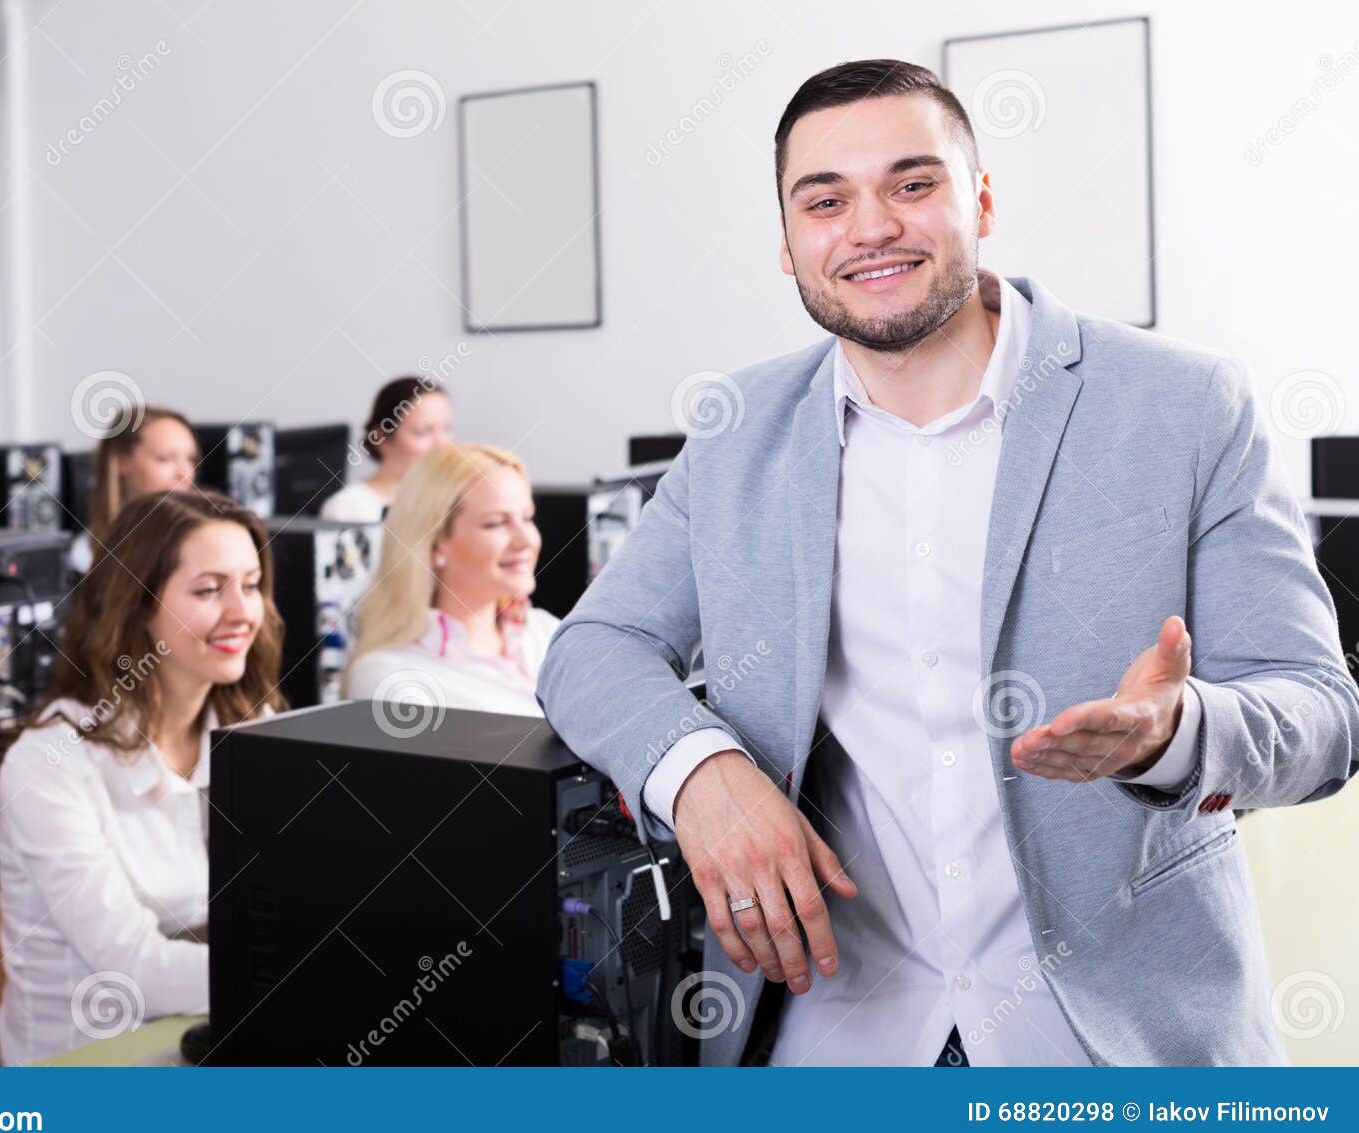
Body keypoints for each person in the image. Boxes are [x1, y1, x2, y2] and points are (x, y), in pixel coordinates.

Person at [537, 59, 1359, 1067]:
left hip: (1119, 1044)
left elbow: (1320, 715)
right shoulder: (737, 433)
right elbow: (593, 648)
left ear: (979, 197)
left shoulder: (1184, 406)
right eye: (825, 200)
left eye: (911, 183)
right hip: (833, 1032)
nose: (870, 225)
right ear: (788, 245)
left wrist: (1175, 732)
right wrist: (702, 772)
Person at [0, 488, 285, 1065]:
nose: (243, 612)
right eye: (208, 590)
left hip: (206, 1033)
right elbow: (132, 968)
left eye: (251, 585)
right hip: (83, 1067)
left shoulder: (253, 729)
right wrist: (292, 969)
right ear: (138, 606)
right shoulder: (49, 763)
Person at [344, 442, 556, 717]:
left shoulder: (547, 633)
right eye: (495, 523)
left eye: (527, 518)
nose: (526, 540)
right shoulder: (390, 676)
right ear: (435, 544)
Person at [69, 405, 199, 575]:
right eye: (165, 459)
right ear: (121, 461)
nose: (184, 474)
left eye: (190, 459)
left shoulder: (205, 542)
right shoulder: (83, 555)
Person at [320, 376, 452, 523]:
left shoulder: (451, 502)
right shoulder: (347, 509)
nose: (442, 444)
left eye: (446, 429)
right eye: (422, 432)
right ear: (381, 437)